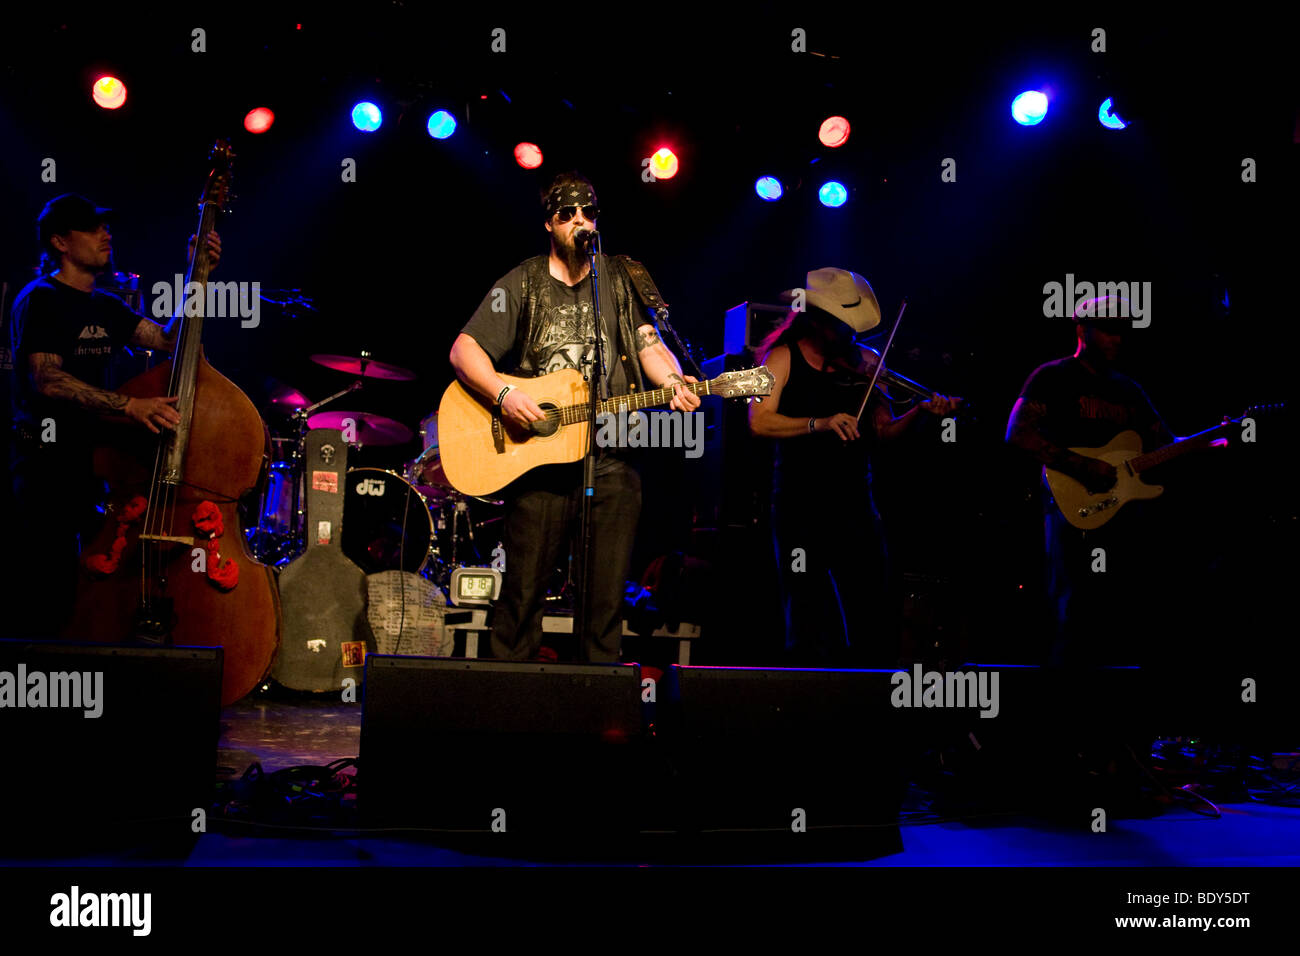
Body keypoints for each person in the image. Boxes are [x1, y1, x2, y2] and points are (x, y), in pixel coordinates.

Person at [448, 171, 700, 663]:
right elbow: (464, 350)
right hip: (539, 464)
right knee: (521, 600)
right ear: (549, 223)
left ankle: (596, 718)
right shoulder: (522, 281)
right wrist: (504, 395)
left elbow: (649, 344)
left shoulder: (622, 279)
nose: (580, 222)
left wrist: (672, 380)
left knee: (604, 603)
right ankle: (507, 711)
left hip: (611, 457)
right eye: (568, 215)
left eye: (587, 214)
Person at [7, 193, 221, 636]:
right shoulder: (41, 298)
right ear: (61, 242)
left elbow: (173, 342)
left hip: (94, 462)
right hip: (45, 460)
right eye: (92, 228)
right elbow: (46, 379)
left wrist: (198, 274)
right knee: (48, 581)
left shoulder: (105, 305)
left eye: (106, 226)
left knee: (94, 578)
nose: (106, 235)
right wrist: (130, 405)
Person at [748, 268, 960, 667]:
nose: (850, 337)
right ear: (817, 319)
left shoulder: (866, 362)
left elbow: (884, 433)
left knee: (869, 603)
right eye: (841, 327)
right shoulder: (782, 357)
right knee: (806, 606)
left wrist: (920, 412)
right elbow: (759, 422)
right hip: (798, 505)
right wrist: (820, 423)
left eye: (852, 328)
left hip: (855, 505)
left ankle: (866, 696)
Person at [1005, 295, 1176, 667]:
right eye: (1110, 330)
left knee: (1122, 609)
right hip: (1071, 512)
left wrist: (1213, 439)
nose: (1118, 339)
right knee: (1071, 606)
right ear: (1083, 330)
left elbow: (1165, 442)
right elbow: (1017, 433)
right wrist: (1083, 466)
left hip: (1124, 515)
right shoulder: (1053, 376)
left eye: (1122, 332)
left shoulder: (1129, 388)